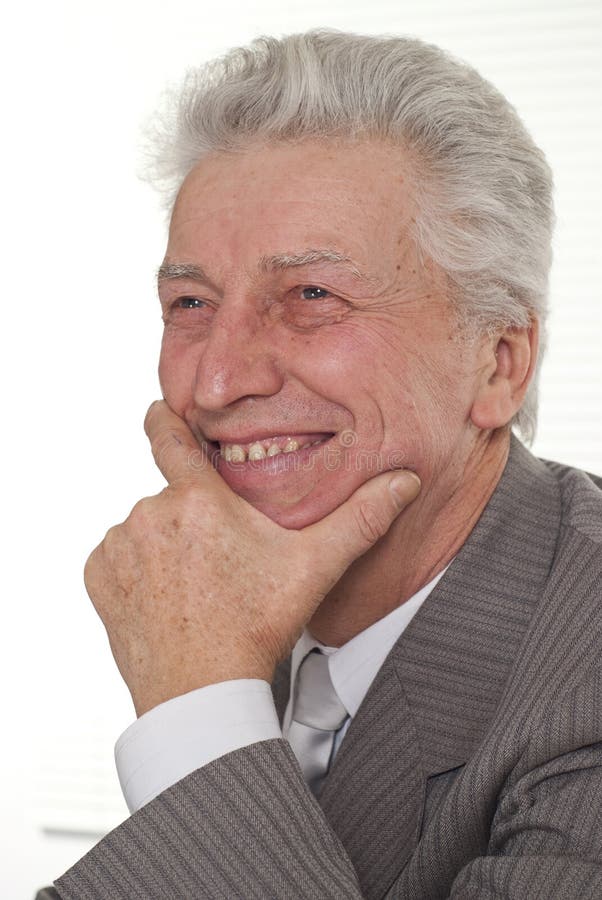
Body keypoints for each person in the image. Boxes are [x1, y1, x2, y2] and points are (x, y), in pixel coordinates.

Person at [43, 30, 602, 899]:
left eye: (310, 297)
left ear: (499, 361)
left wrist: (200, 711)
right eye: (190, 303)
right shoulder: (245, 595)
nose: (220, 380)